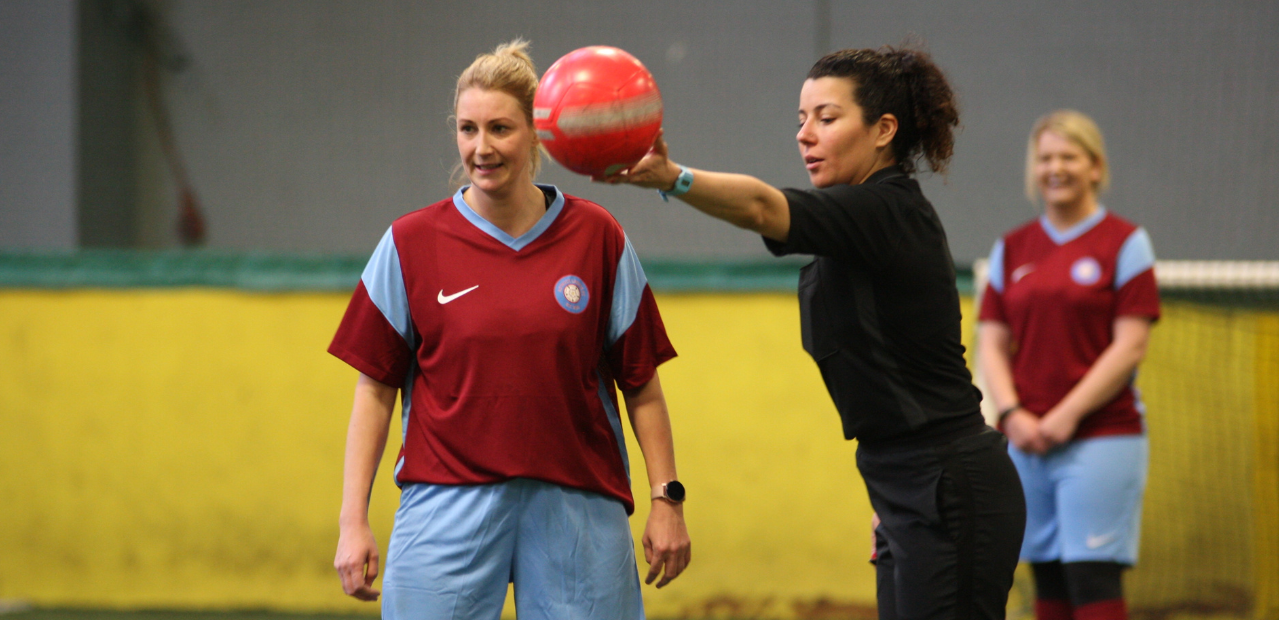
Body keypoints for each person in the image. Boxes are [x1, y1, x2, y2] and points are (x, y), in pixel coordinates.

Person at [609, 46, 1025, 620]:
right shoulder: (849, 231)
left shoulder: (890, 210)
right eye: (800, 121)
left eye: (826, 118)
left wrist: (671, 178)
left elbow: (760, 207)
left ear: (883, 131)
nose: (805, 135)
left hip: (949, 482)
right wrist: (890, 495)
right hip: (902, 481)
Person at [329, 40, 690, 620]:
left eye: (500, 128)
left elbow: (641, 383)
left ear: (537, 133)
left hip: (581, 505)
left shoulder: (598, 237)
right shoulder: (409, 243)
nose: (481, 147)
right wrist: (352, 522)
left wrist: (666, 498)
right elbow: (374, 390)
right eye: (468, 129)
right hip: (444, 503)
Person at [976, 110, 1158, 620]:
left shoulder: (1126, 242)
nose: (1056, 168)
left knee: (1090, 573)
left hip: (1103, 435)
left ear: (1095, 167)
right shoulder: (1010, 249)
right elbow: (991, 341)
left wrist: (1066, 415)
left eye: (1069, 157)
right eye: (1046, 157)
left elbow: (1130, 346)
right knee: (1048, 575)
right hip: (1026, 440)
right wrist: (1012, 414)